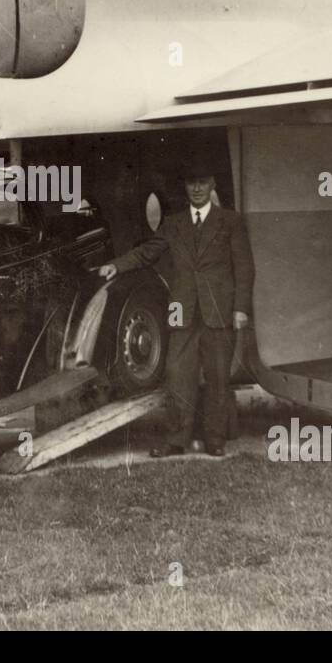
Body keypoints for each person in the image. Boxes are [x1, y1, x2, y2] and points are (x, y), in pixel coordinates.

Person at [98, 169, 253, 457]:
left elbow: (244, 267)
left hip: (218, 309)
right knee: (178, 374)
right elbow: (146, 253)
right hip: (181, 309)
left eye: (202, 182)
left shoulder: (231, 221)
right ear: (184, 186)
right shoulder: (173, 224)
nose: (197, 188)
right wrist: (117, 266)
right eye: (191, 182)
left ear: (212, 184)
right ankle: (176, 440)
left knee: (218, 376)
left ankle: (215, 440)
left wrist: (241, 308)